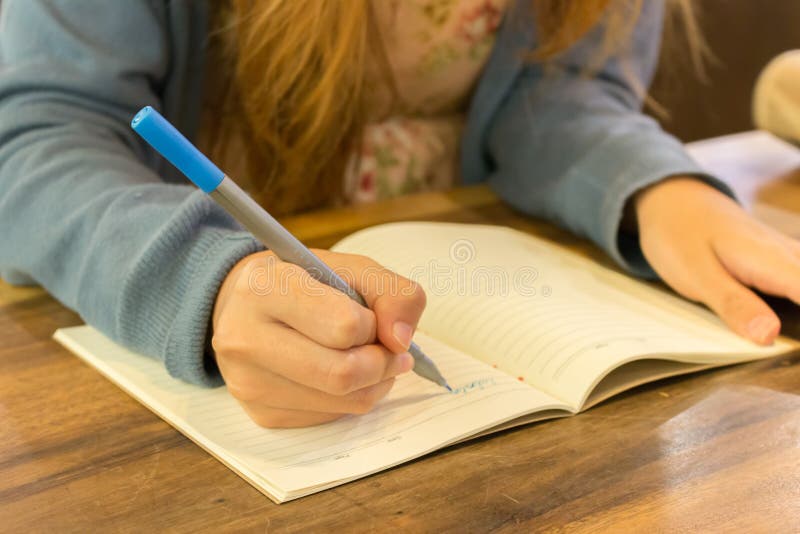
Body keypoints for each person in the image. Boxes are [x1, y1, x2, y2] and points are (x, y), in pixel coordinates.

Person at [1, 0, 798, 428]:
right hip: (141, 313)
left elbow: (560, 92)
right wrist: (205, 281)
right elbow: (35, 140)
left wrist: (656, 190)